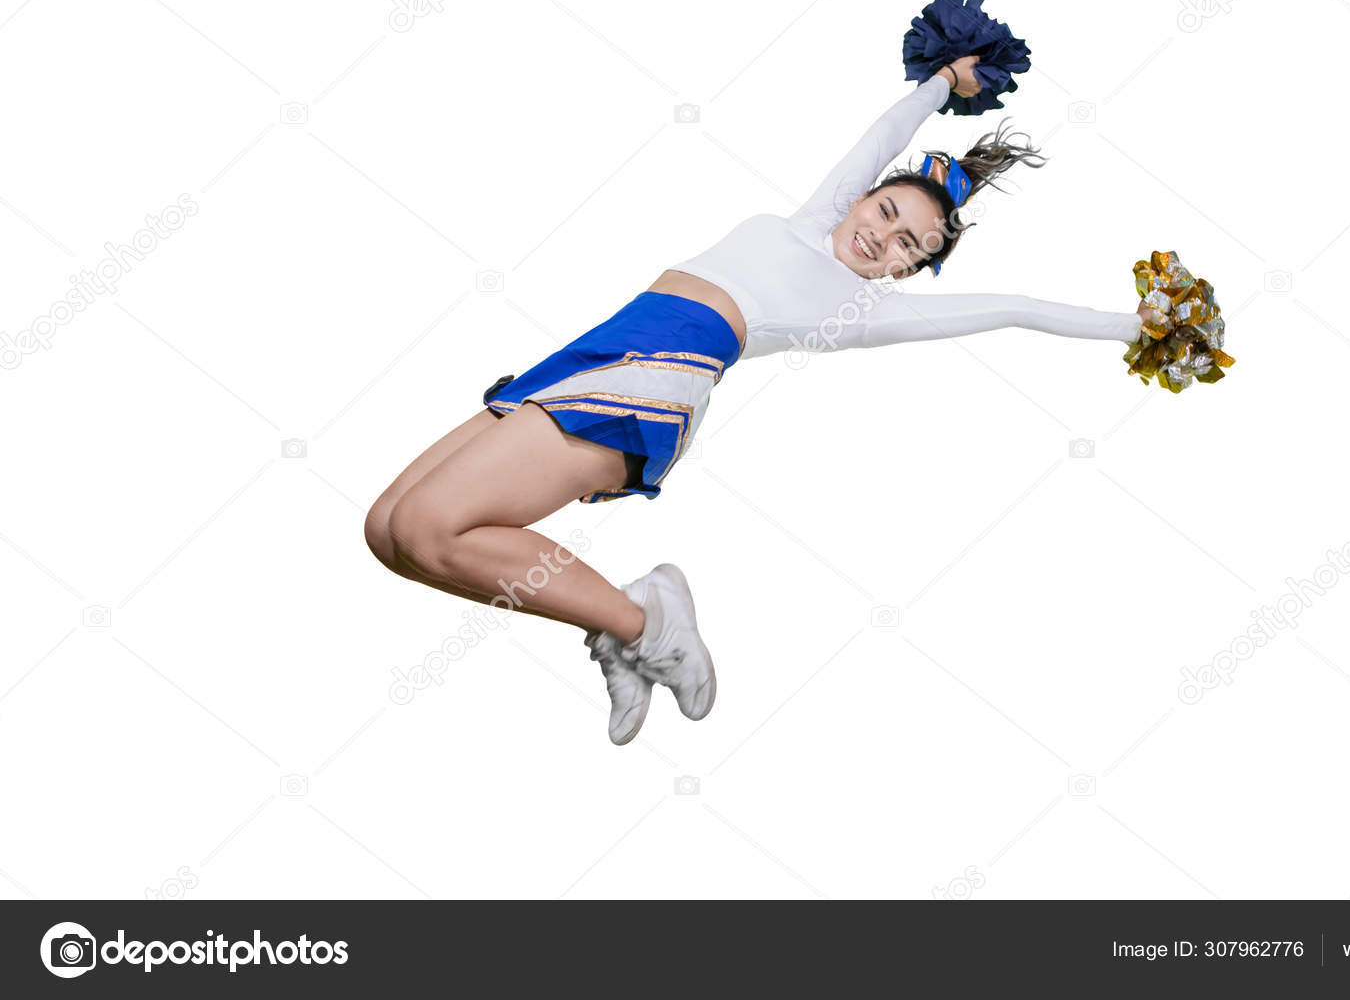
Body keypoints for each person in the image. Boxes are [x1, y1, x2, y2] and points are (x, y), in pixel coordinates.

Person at [364, 55, 1156, 744]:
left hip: (655, 375)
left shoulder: (865, 308)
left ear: (909, 272)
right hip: (592, 347)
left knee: (433, 527)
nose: (885, 237)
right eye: (887, 212)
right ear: (862, 199)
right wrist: (944, 83)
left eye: (909, 245)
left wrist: (1132, 325)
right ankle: (624, 622)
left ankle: (644, 623)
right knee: (389, 529)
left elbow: (1013, 307)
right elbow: (884, 132)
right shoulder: (814, 220)